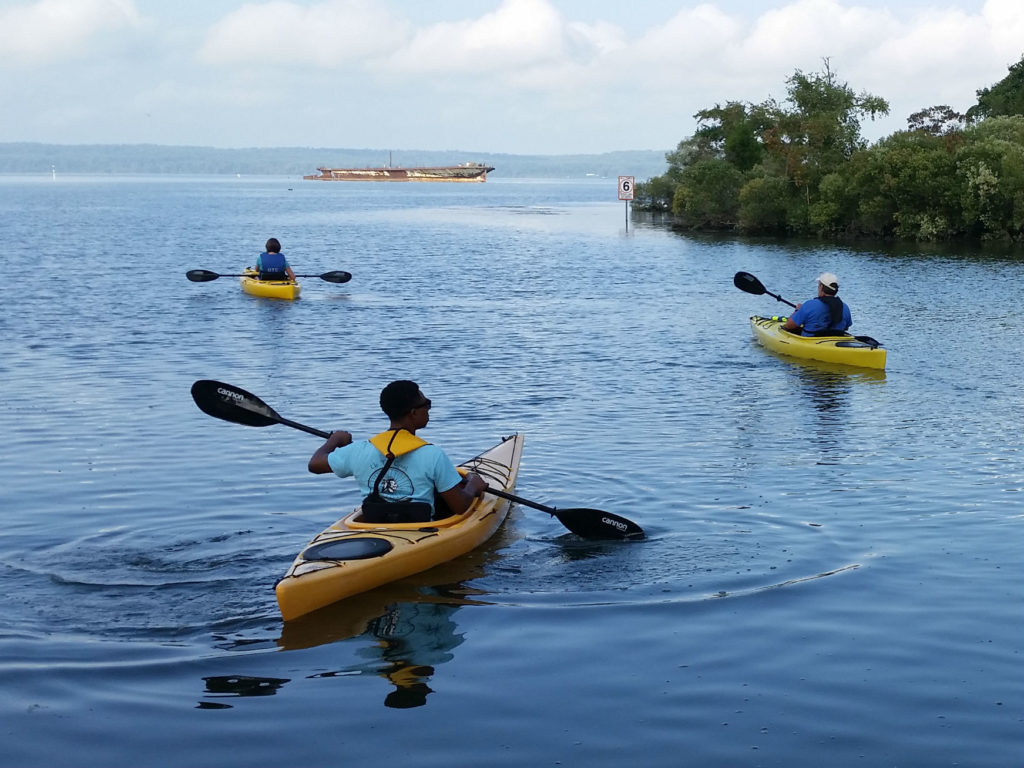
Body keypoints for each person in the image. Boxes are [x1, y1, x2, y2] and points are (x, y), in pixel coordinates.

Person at [308, 380, 488, 523]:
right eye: (426, 404)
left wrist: (334, 440)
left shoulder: (359, 450)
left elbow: (315, 464)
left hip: (375, 523)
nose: (428, 409)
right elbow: (460, 506)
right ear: (413, 413)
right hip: (421, 529)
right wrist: (473, 484)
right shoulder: (433, 455)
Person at [782, 272, 852, 336]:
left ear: (821, 287)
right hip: (835, 342)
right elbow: (846, 328)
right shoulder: (845, 307)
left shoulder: (809, 305)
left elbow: (789, 325)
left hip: (812, 343)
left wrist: (797, 311)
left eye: (819, 285)